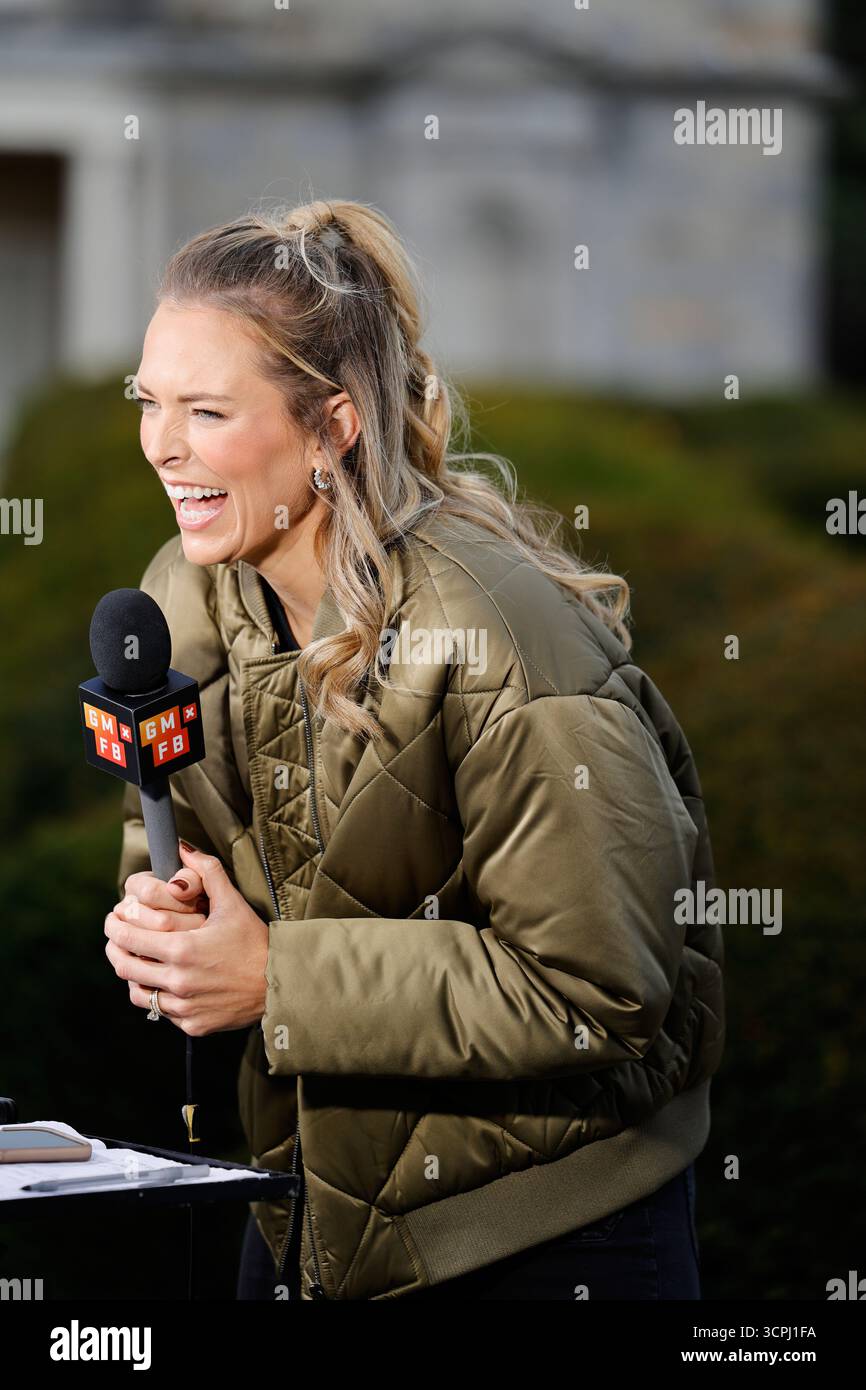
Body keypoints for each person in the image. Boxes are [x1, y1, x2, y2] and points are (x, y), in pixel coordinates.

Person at [105, 197, 725, 1301]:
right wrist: (165, 916)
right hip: (303, 1204)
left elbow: (598, 984)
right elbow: (177, 841)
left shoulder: (500, 641)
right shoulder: (183, 591)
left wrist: (273, 978)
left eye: (205, 409)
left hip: (541, 1236)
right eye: (148, 401)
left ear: (332, 424)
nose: (161, 445)